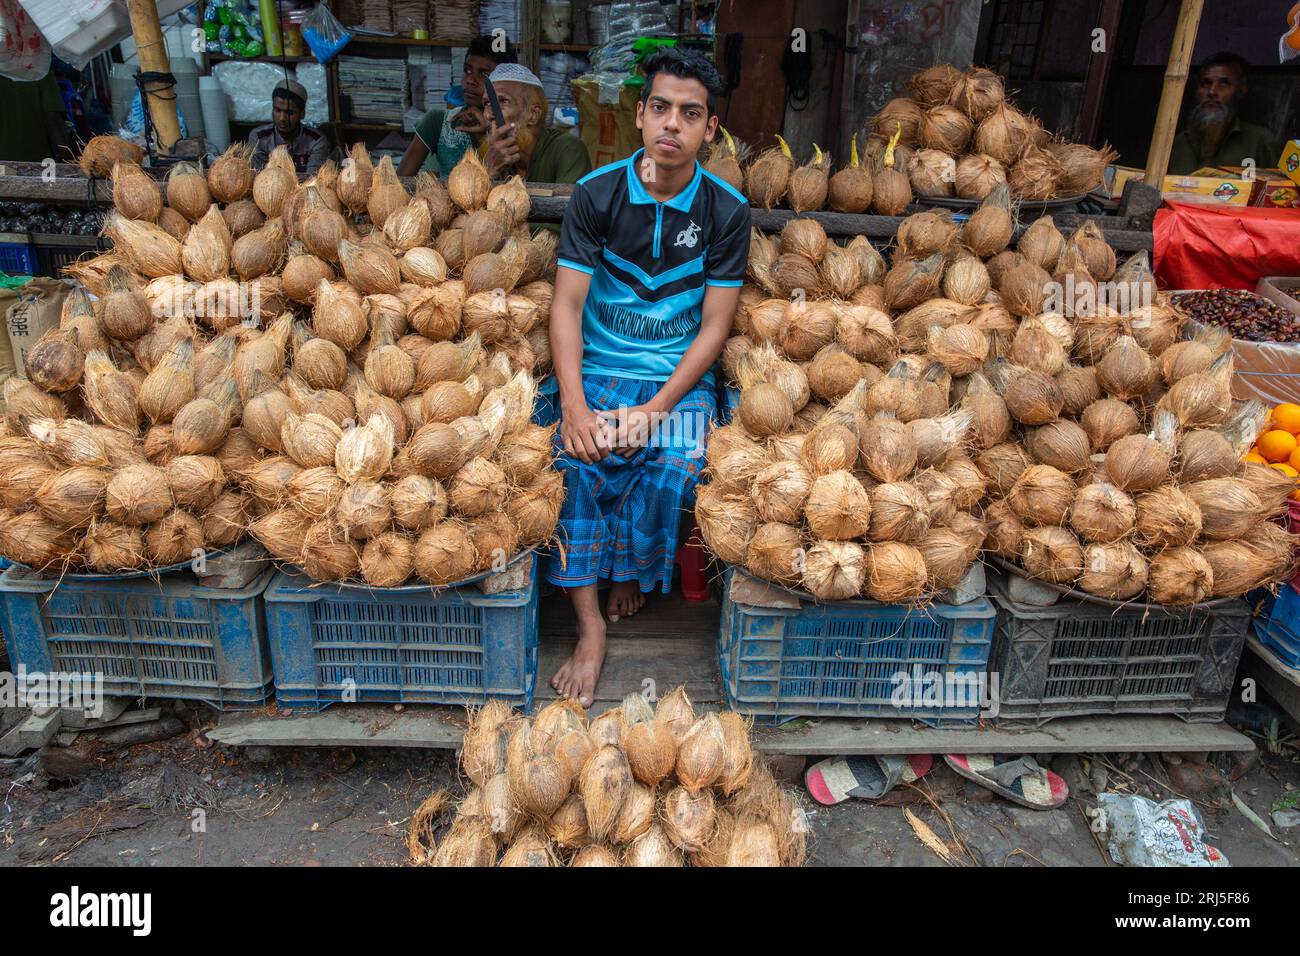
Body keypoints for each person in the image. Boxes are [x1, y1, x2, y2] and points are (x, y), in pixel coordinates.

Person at [543, 49, 749, 707]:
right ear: (639, 115)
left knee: (677, 468)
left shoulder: (725, 211)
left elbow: (715, 327)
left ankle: (625, 569)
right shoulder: (598, 195)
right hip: (600, 370)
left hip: (676, 382)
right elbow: (567, 305)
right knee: (575, 464)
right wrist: (575, 406)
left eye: (690, 114)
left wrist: (659, 408)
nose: (672, 124)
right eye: (660, 107)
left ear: (710, 129)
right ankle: (591, 625)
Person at [397, 36, 517, 178]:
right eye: (467, 70)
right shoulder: (439, 121)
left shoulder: (513, 130)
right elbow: (399, 182)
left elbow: (513, 186)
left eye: (484, 74)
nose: (470, 80)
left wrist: (484, 136)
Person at [1168, 52, 1284, 175]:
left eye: (1224, 83)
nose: (1212, 92)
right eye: (1206, 83)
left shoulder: (1260, 142)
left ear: (1241, 90)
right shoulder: (1179, 143)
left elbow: (1279, 190)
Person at [480, 63, 591, 183]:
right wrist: (488, 171)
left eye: (503, 101)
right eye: (487, 103)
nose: (487, 115)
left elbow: (569, 201)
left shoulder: (568, 149)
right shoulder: (493, 156)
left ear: (533, 114)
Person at [247, 79, 330, 175]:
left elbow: (312, 179)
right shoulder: (259, 138)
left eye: (289, 113)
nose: (282, 118)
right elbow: (259, 176)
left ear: (302, 114)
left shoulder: (317, 141)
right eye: (277, 110)